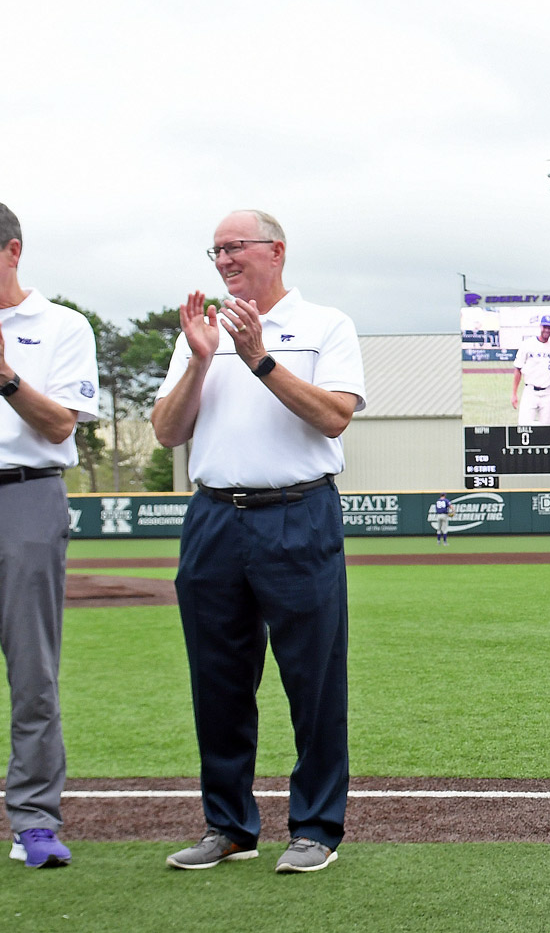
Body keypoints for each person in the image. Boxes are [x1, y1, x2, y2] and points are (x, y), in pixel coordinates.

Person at [151, 209, 365, 875]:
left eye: (235, 247)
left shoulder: (326, 324)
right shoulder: (200, 333)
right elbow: (166, 432)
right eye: (215, 251)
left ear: (276, 250)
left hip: (297, 514)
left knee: (314, 678)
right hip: (214, 517)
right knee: (216, 679)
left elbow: (335, 416)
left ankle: (316, 829)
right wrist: (200, 361)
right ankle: (228, 826)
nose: (223, 260)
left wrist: (260, 360)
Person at [0, 203, 98, 870]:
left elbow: (62, 425)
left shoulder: (60, 325)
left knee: (32, 671)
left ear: (12, 251)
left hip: (25, 493)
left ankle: (33, 820)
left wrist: (5, 377)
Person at [511, 315, 550, 425]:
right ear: (540, 326)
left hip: (547, 392)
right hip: (530, 391)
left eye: (549, 327)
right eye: (544, 327)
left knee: (547, 428)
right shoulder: (527, 344)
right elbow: (518, 368)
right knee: (523, 425)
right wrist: (514, 393)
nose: (546, 330)